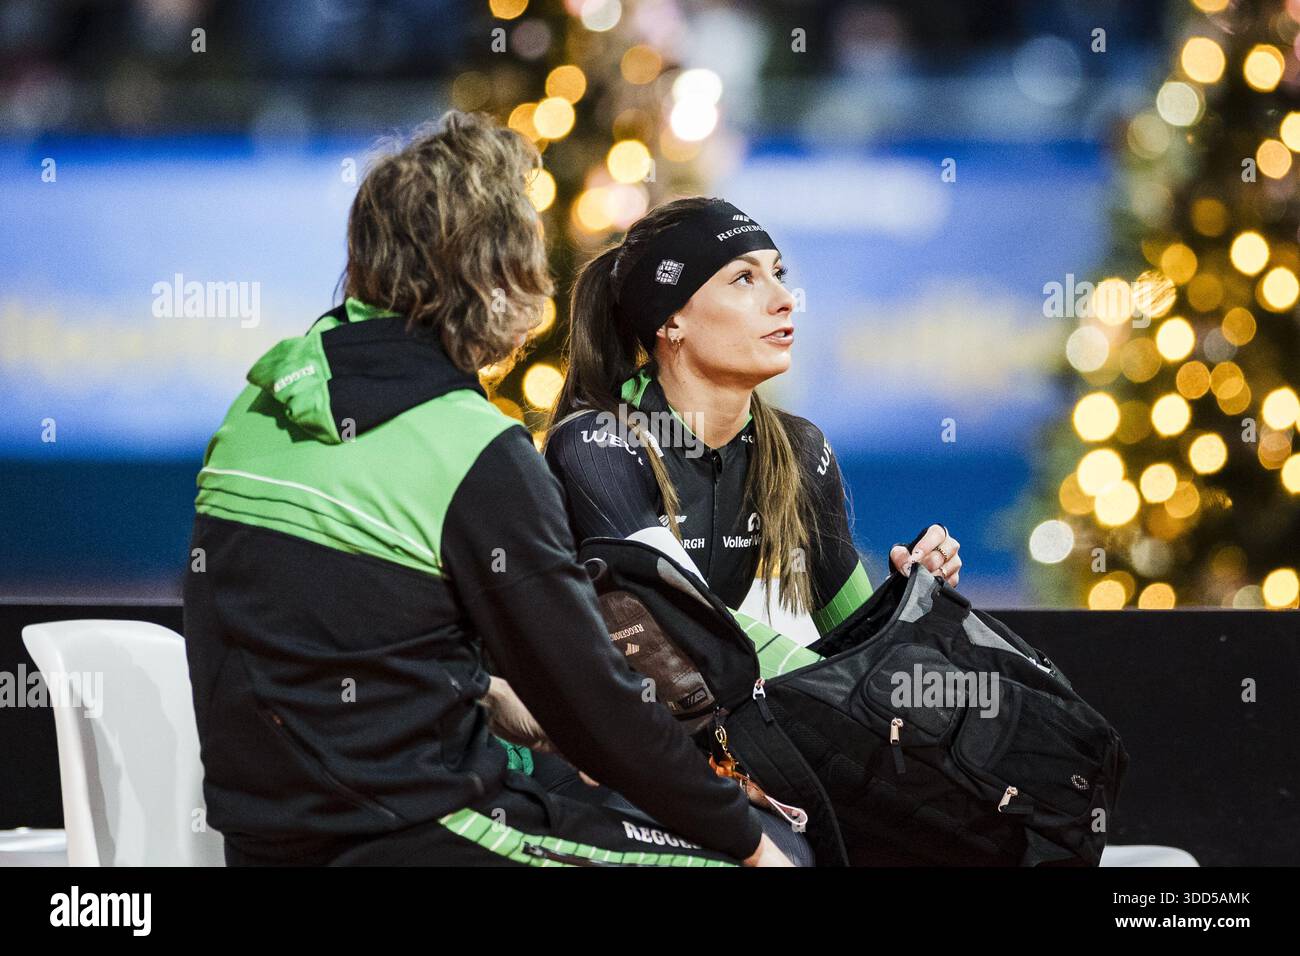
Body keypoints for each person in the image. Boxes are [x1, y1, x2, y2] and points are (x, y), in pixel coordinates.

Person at [182, 112, 790, 867]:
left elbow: (325, 633)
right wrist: (750, 842)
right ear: (496, 274)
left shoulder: (261, 400)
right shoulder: (473, 450)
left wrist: (480, 691)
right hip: (412, 832)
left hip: (266, 841)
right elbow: (595, 704)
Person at [536, 197, 964, 830]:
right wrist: (863, 704)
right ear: (671, 320)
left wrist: (905, 605)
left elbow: (846, 641)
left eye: (778, 274)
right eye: (744, 279)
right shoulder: (597, 443)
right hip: (587, 765)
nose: (784, 299)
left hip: (719, 758)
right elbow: (694, 637)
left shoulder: (798, 450)